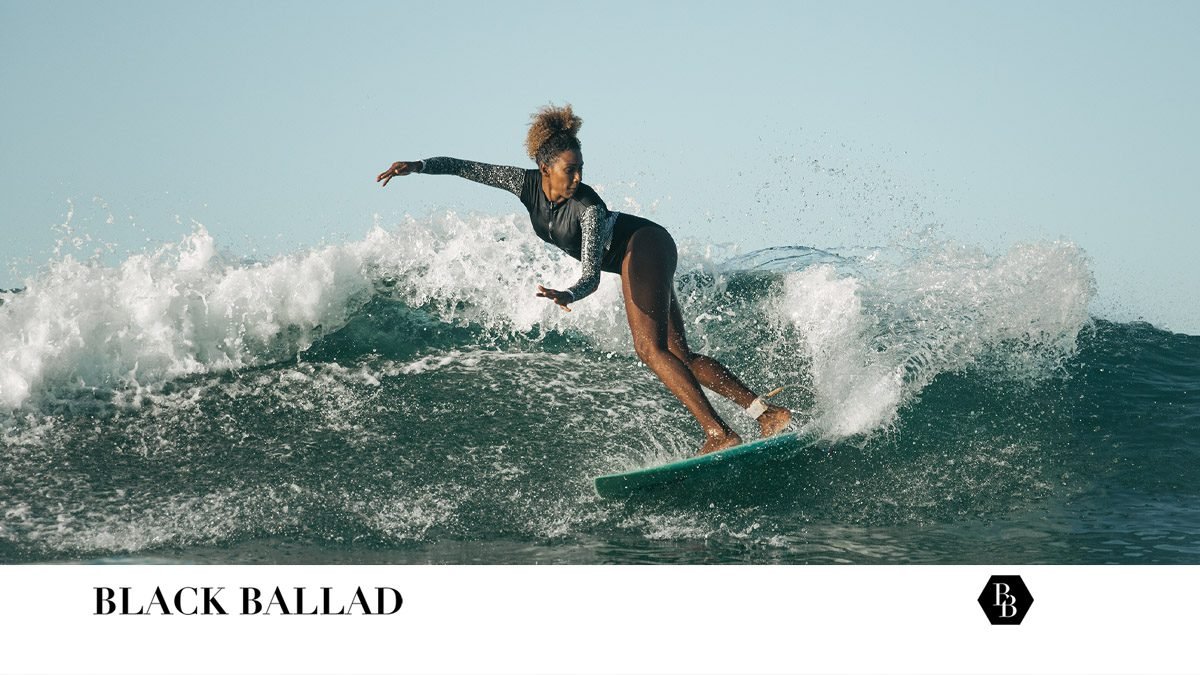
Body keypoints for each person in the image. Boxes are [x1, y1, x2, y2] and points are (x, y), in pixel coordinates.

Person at [376, 104, 790, 455]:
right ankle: (765, 413)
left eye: (580, 170)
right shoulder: (524, 185)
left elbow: (591, 276)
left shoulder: (589, 208)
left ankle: (718, 433)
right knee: (678, 354)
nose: (577, 179)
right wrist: (419, 167)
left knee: (649, 349)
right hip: (648, 250)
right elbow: (469, 169)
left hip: (644, 247)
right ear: (545, 169)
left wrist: (566, 292)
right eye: (569, 171)